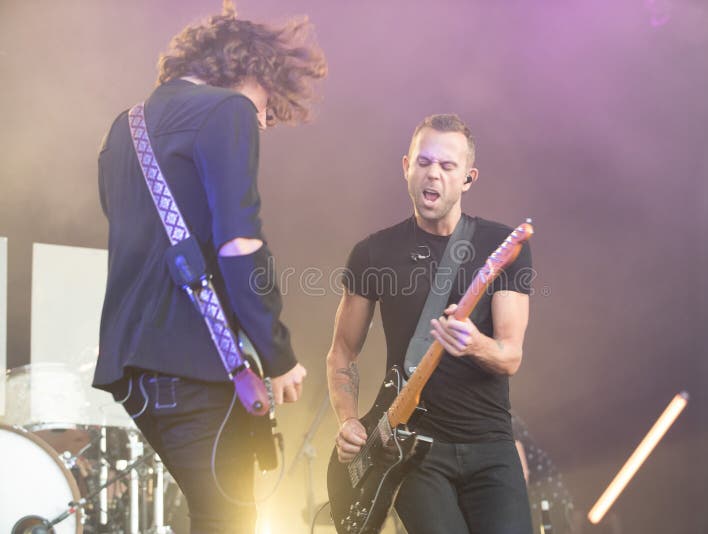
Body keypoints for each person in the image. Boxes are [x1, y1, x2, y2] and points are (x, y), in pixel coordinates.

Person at [92, 2, 326, 531]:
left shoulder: (122, 126)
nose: (265, 120)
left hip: (133, 370)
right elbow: (240, 244)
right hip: (192, 369)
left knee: (216, 517)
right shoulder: (227, 110)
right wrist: (280, 354)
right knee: (228, 521)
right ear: (252, 71)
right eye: (269, 104)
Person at [326, 114, 534, 534]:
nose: (432, 174)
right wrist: (348, 420)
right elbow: (342, 352)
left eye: (446, 166)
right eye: (423, 162)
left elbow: (510, 356)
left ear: (468, 178)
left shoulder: (500, 246)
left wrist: (474, 343)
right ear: (406, 167)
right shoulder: (373, 253)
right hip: (411, 450)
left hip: (490, 446)